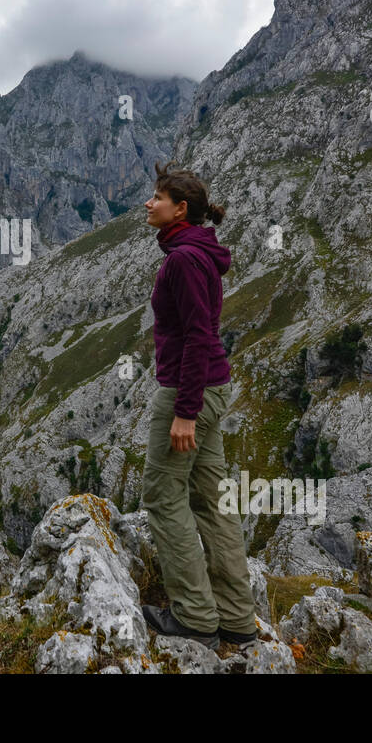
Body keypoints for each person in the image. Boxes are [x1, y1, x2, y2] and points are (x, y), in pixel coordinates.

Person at [140, 160, 257, 651]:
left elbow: (197, 337)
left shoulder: (184, 259)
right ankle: (236, 619)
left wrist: (185, 410)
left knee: (165, 496)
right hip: (213, 388)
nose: (148, 203)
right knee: (212, 500)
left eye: (157, 198)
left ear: (180, 208)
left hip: (191, 393)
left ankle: (194, 617)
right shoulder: (196, 252)